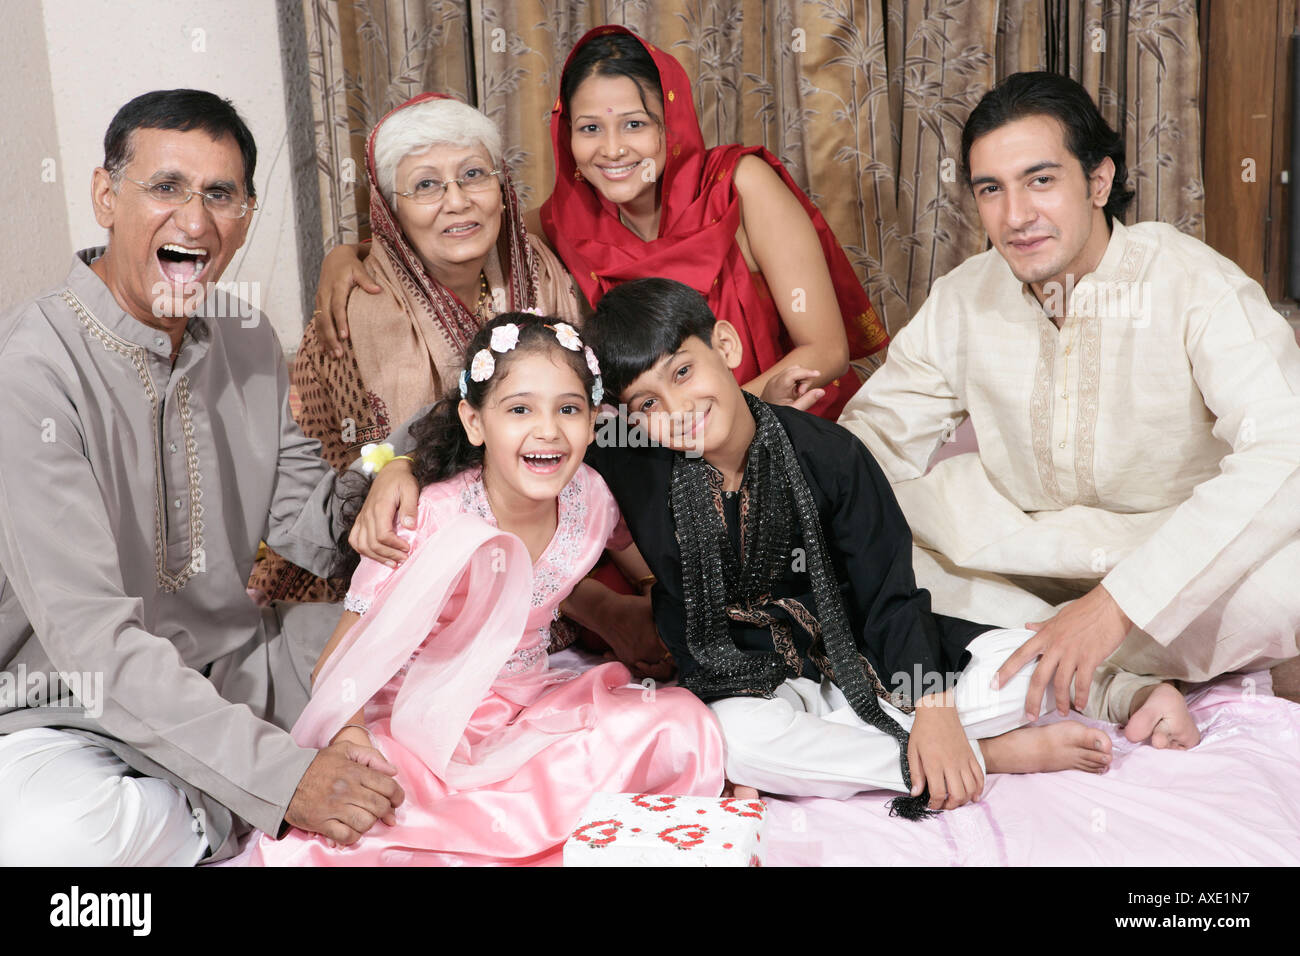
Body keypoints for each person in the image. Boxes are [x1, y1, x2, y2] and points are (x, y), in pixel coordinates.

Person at [359, 279, 1114, 813]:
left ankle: (921, 738)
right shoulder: (627, 454)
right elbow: (505, 414)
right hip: (746, 684)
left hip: (863, 656)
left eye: (685, 373)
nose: (678, 410)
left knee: (1027, 664)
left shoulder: (832, 456)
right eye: (646, 403)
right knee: (724, 741)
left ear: (724, 343)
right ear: (619, 418)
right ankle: (982, 757)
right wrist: (398, 469)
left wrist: (935, 707)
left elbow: (890, 596)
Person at [837, 71, 1300, 750]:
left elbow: (1283, 450)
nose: (1016, 215)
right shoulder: (966, 296)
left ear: (1099, 182)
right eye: (991, 189)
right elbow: (870, 442)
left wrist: (1116, 607)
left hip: (1173, 555)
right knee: (865, 527)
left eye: (1041, 180)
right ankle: (1121, 685)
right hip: (1022, 552)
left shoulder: (1193, 284)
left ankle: (1046, 655)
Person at [0, 89, 404, 865]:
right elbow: (91, 644)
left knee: (443, 673)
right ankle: (226, 799)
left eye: (220, 194)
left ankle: (206, 795)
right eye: (166, 187)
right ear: (104, 195)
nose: (195, 221)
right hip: (64, 704)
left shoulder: (246, 337)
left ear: (246, 215)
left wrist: (405, 469)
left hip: (232, 668)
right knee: (51, 842)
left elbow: (303, 521)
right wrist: (285, 780)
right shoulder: (31, 371)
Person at [231, 313, 724, 865]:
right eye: (519, 410)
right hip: (422, 726)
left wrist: (656, 613)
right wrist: (349, 741)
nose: (548, 430)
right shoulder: (427, 518)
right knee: (380, 821)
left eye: (569, 409)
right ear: (474, 423)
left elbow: (645, 565)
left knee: (680, 723)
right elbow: (338, 662)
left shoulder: (592, 499)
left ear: (594, 423)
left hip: (529, 706)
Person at [312, 26, 891, 421]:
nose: (613, 150)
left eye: (634, 124)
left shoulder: (738, 187)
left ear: (672, 123)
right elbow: (459, 220)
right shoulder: (565, 220)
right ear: (566, 135)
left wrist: (706, 422)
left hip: (783, 424)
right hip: (654, 459)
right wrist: (349, 255)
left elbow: (828, 349)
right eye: (590, 128)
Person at [249, 93, 580, 604]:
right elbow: (400, 492)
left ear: (501, 185)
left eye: (473, 174)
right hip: (384, 566)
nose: (457, 200)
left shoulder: (535, 266)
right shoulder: (363, 310)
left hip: (543, 535)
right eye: (426, 184)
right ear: (391, 211)